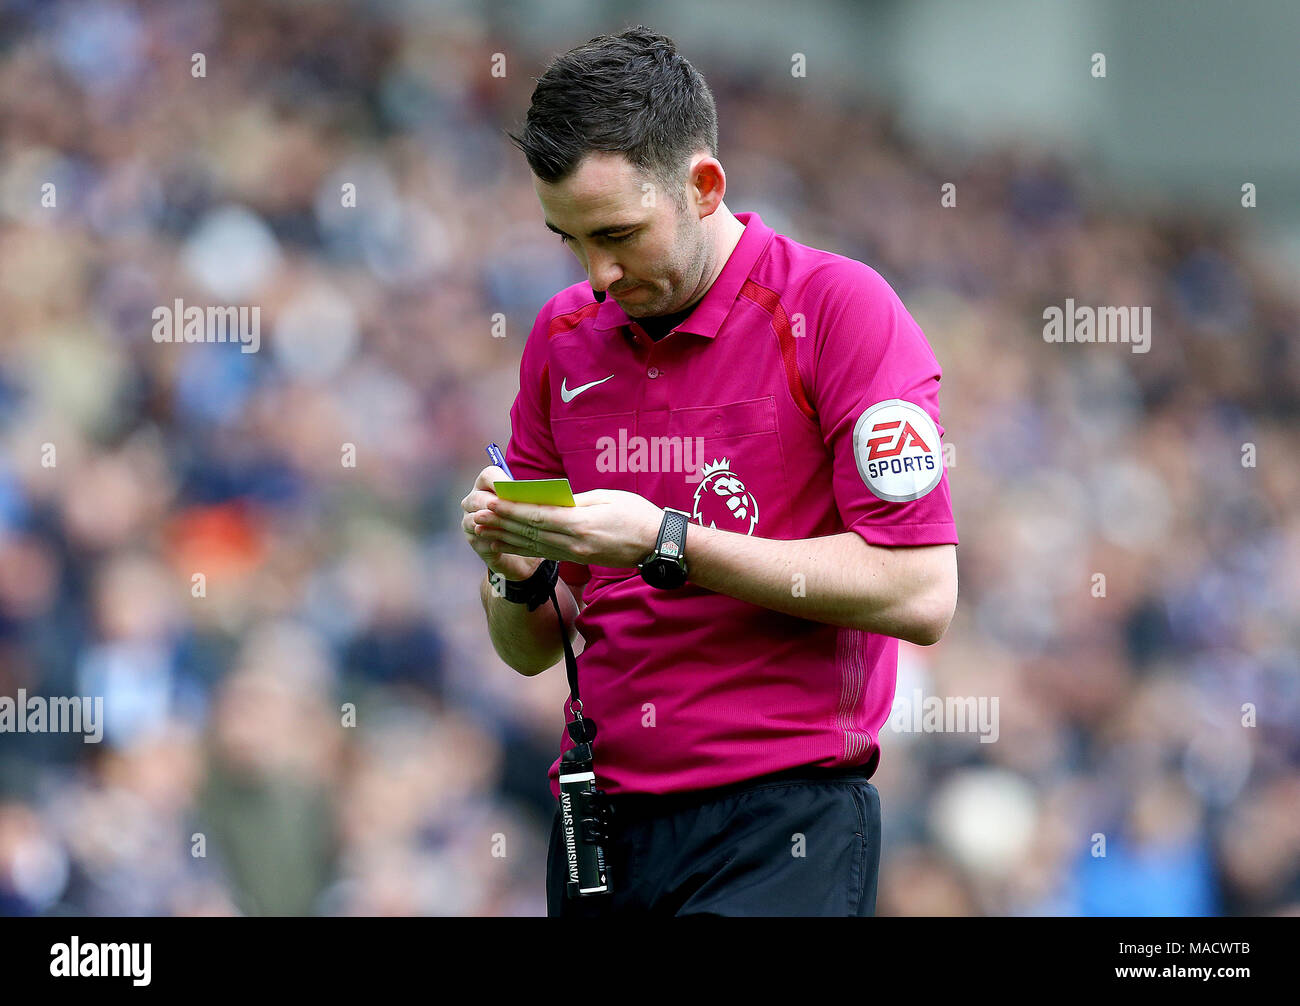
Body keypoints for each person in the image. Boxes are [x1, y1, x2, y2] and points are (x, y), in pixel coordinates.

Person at [460, 26, 958, 917]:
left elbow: (920, 592)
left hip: (781, 821)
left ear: (703, 186)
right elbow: (529, 648)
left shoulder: (840, 310)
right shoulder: (562, 339)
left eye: (618, 234)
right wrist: (512, 565)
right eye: (568, 240)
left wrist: (666, 542)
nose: (597, 274)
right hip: (602, 821)